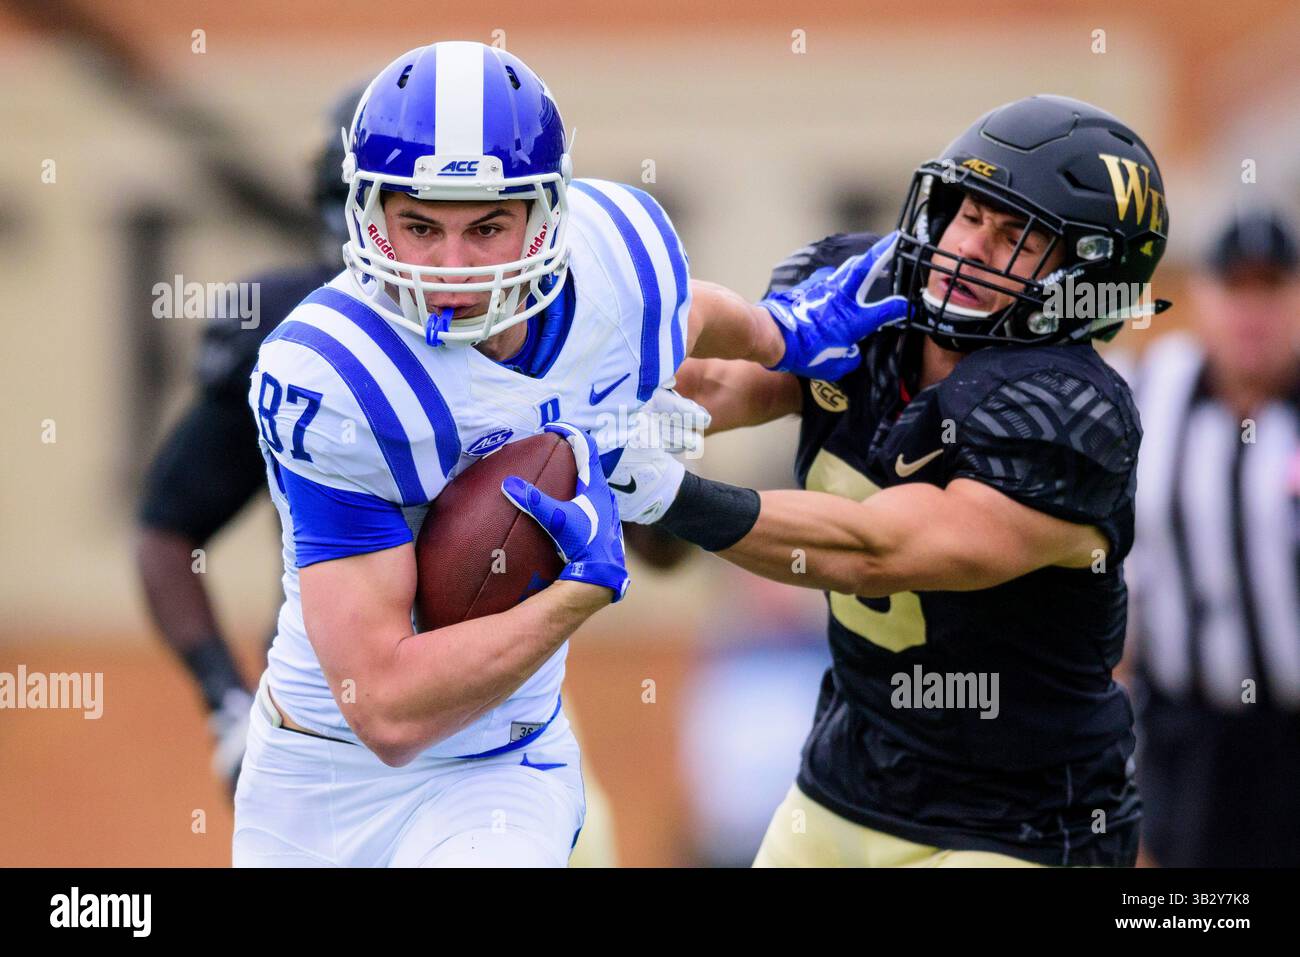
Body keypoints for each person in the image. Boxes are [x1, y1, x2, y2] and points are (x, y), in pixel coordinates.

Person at [233, 40, 888, 867]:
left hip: (499, 764)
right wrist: (576, 596)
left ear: (548, 216)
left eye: (488, 227)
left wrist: (782, 333)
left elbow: (685, 316)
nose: (451, 268)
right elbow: (388, 709)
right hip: (319, 772)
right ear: (371, 216)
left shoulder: (618, 263)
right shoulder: (337, 376)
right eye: (421, 226)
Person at [620, 95, 1172, 867]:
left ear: (1086, 278)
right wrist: (600, 388)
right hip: (844, 785)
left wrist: (675, 498)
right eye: (971, 213)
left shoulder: (1071, 411)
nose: (971, 246)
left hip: (1020, 826)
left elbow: (877, 547)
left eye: (1017, 236)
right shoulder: (872, 299)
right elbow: (712, 382)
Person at [135, 87, 360, 794]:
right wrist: (228, 703)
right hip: (318, 726)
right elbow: (168, 527)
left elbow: (651, 548)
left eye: (480, 222)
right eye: (417, 216)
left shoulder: (537, 335)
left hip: (495, 729)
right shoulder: (289, 328)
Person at [1126, 206, 1300, 867]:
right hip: (1186, 735)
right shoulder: (1147, 393)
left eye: (1271, 288)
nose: (1252, 311)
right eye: (1236, 288)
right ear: (1205, 297)